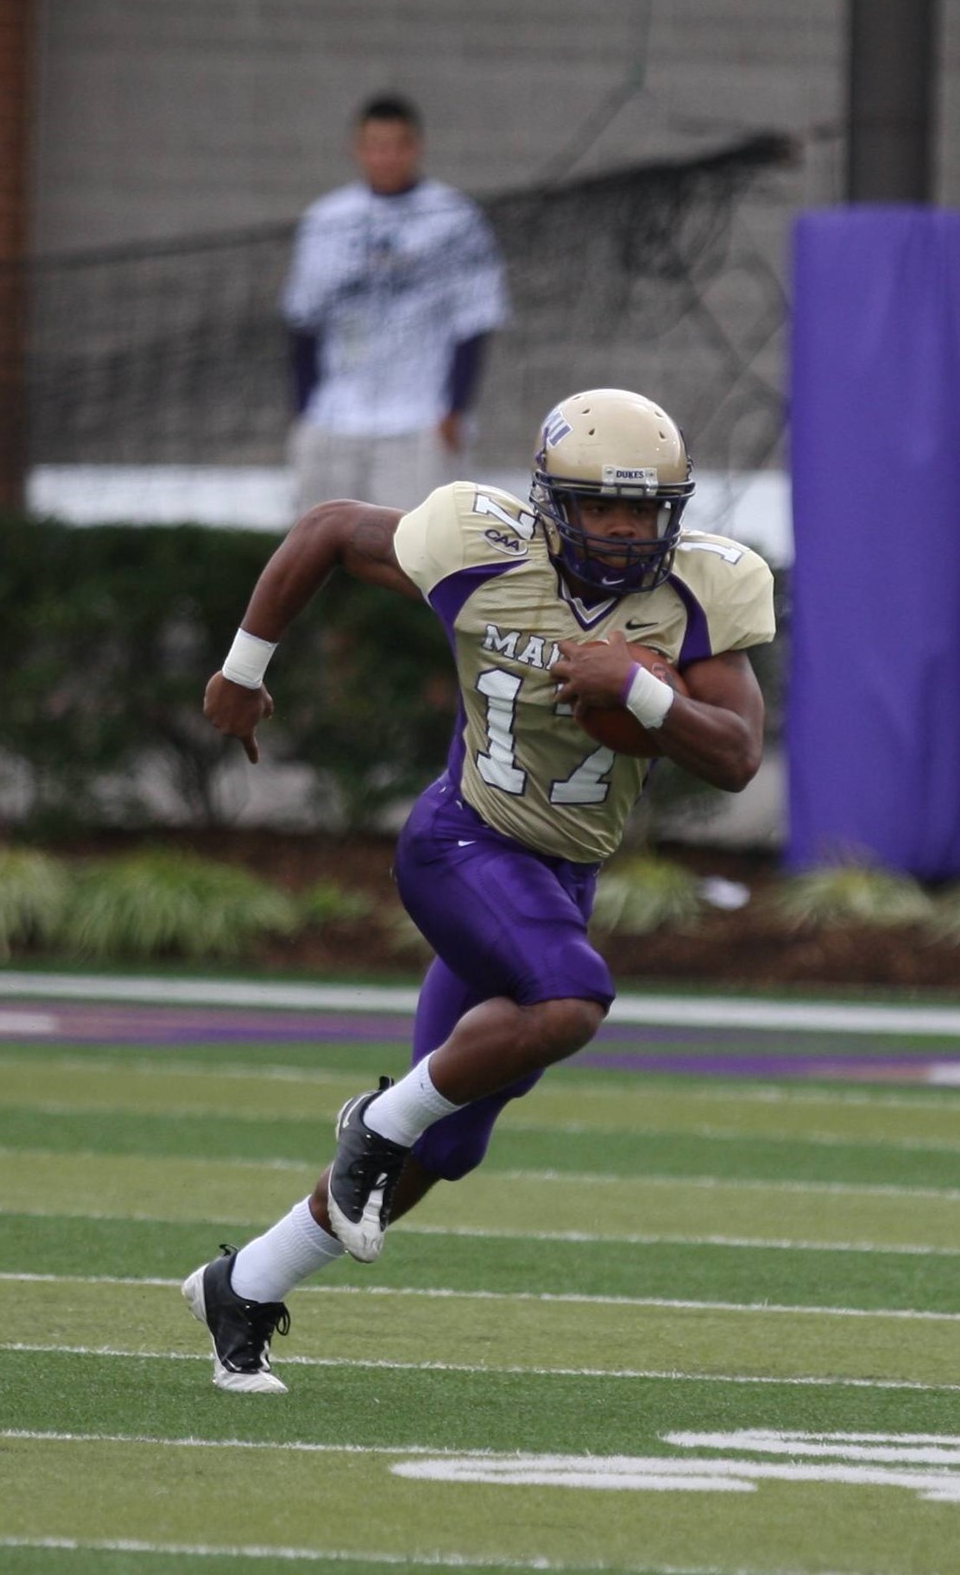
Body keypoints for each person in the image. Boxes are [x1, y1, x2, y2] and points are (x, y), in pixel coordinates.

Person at [184, 387, 775, 1392]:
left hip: (559, 875)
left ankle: (243, 1282)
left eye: (644, 510)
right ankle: (371, 1122)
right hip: (461, 842)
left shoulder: (700, 591)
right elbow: (327, 529)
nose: (626, 530)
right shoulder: (477, 543)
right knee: (569, 1000)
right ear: (552, 503)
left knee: (444, 1144)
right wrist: (244, 670)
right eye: (602, 507)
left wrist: (639, 689)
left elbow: (736, 753)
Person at [281, 93, 509, 517]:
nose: (386, 157)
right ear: (358, 149)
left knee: (418, 553)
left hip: (419, 419)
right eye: (375, 145)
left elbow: (474, 321)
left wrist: (454, 410)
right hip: (335, 416)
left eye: (397, 145)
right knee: (317, 547)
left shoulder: (454, 218)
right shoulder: (327, 219)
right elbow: (302, 321)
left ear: (416, 147)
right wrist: (307, 409)